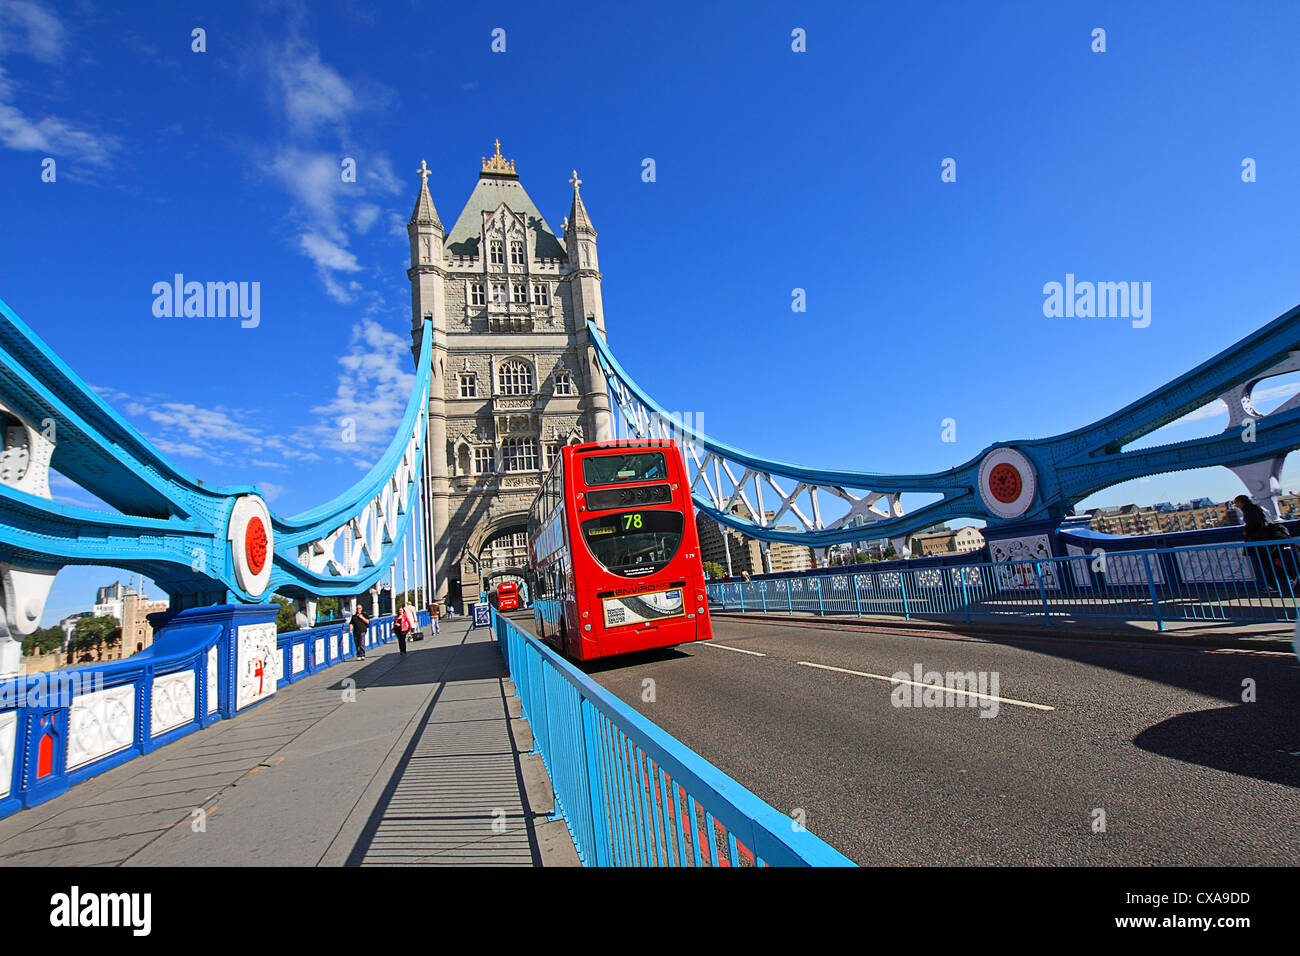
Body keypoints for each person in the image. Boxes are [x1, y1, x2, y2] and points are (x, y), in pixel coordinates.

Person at [1235, 494, 1295, 592]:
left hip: (1262, 541)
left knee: (1266, 563)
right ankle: (1286, 579)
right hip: (1271, 539)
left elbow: (1253, 524)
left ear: (1241, 502)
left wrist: (1247, 531)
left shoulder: (1249, 510)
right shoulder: (1258, 508)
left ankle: (1283, 580)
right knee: (1273, 561)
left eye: (1236, 503)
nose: (1236, 506)